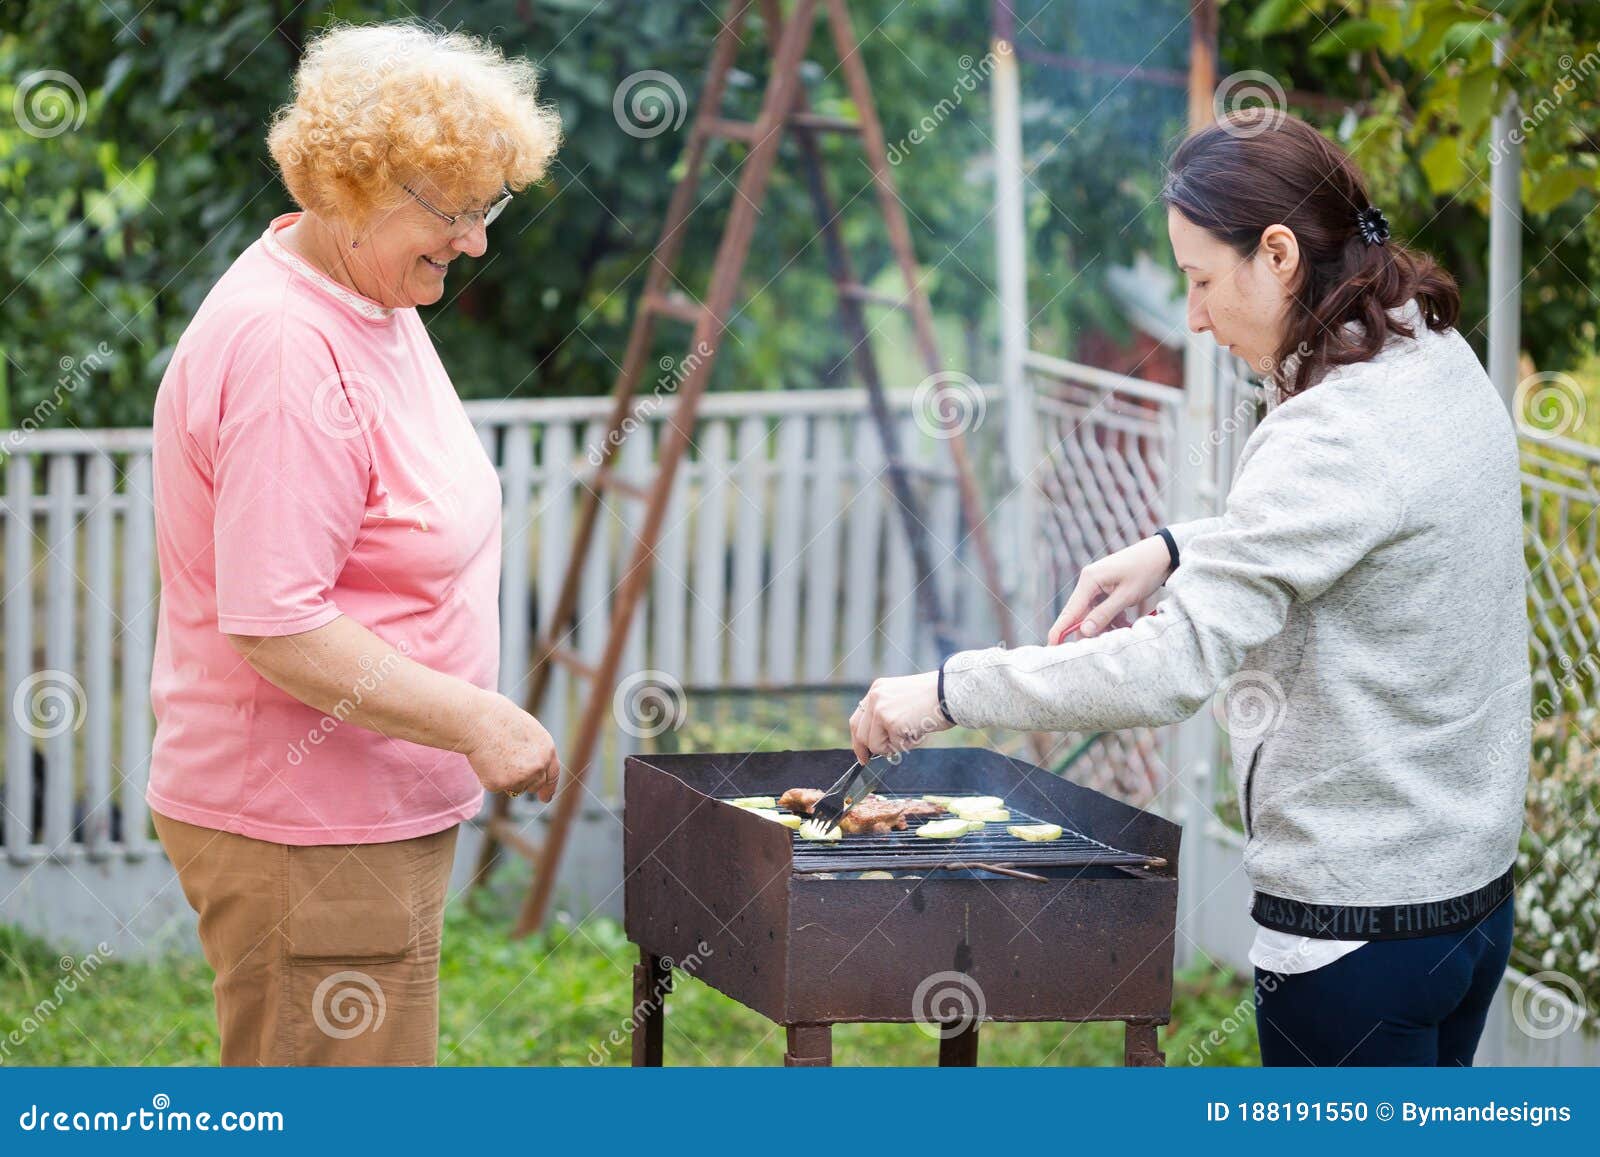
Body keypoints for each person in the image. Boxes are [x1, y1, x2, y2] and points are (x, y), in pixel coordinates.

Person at [849, 108, 1530, 1067]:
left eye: (1203, 280)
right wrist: (1177, 547)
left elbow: (1172, 666)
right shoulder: (1425, 352)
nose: (1195, 316)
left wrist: (949, 689)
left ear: (1281, 253)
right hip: (1467, 907)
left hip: (1353, 937)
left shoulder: (1328, 428)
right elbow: (1368, 520)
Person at [147, 22, 563, 1065]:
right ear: (348, 185)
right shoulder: (289, 350)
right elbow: (277, 620)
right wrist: (476, 717)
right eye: (454, 209)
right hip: (302, 821)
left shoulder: (364, 295)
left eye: (487, 204)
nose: (476, 240)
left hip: (361, 808)